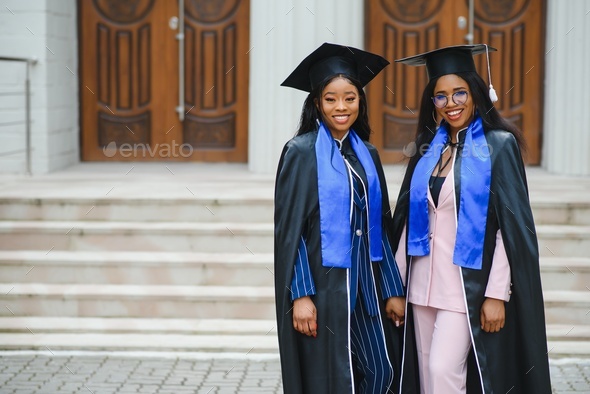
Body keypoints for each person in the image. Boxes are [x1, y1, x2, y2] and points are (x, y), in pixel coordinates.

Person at [391, 44, 552, 393]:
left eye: (459, 92)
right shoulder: (427, 148)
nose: (451, 103)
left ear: (476, 93)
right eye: (441, 96)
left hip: (465, 287)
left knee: (443, 371)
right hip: (421, 286)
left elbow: (510, 230)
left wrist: (496, 294)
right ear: (431, 103)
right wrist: (396, 286)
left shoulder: (498, 145)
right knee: (427, 379)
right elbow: (410, 220)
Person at [274, 42, 406, 394]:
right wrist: (300, 295)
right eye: (331, 98)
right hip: (325, 286)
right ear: (317, 103)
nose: (341, 106)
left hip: (367, 288)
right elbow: (291, 232)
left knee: (383, 373)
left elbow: (382, 226)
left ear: (360, 101)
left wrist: (393, 289)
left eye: (350, 97)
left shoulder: (368, 154)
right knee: (334, 379)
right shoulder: (300, 152)